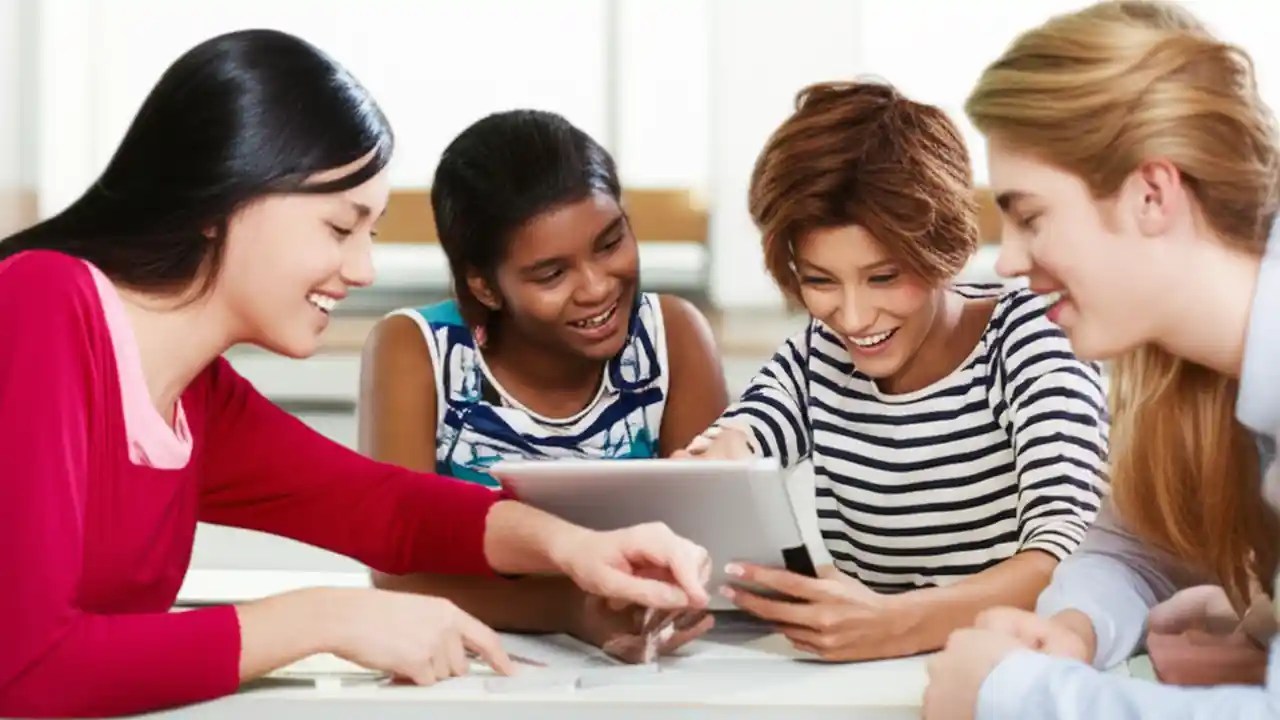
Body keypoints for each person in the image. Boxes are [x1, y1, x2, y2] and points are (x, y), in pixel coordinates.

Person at [0, 30, 713, 719]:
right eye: (341, 228)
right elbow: (27, 668)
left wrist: (576, 548)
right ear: (220, 203)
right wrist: (322, 617)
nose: (363, 269)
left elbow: (389, 511)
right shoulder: (40, 306)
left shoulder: (195, 394)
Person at [921, 2, 1280, 718]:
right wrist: (1068, 632)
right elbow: (1134, 549)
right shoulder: (1199, 380)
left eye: (1031, 217)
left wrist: (1011, 695)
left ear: (1152, 194)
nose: (1010, 262)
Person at [678, 81, 1109, 661]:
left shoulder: (1032, 337)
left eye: (883, 277)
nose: (852, 319)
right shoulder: (820, 352)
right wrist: (720, 459)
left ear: (942, 248)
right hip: (871, 674)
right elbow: (740, 437)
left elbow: (1069, 556)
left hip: (1007, 673)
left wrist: (895, 623)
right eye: (820, 281)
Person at [358, 109, 729, 661]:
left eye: (610, 242)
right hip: (478, 666)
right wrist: (572, 608)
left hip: (650, 664)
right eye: (552, 275)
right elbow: (397, 572)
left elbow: (713, 545)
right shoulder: (415, 349)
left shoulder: (672, 335)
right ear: (484, 285)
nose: (598, 288)